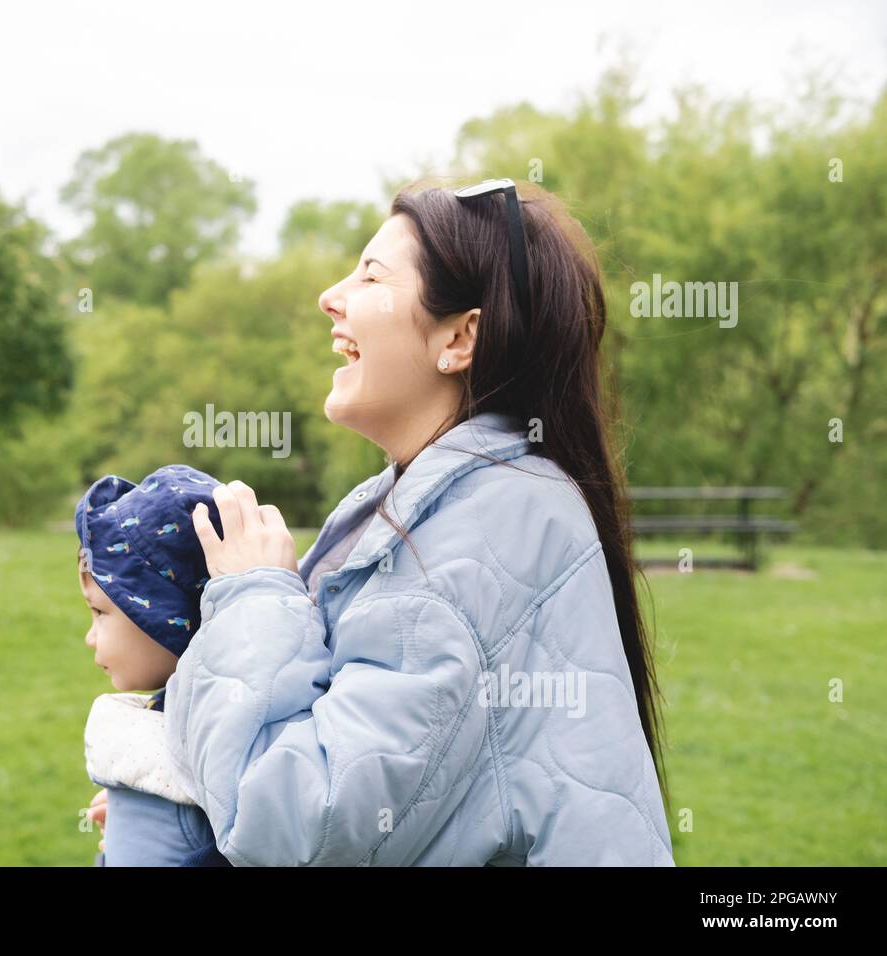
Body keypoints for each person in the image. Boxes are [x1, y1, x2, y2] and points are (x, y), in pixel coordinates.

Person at [156, 178, 676, 865]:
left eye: (371, 275)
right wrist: (176, 808)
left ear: (460, 337)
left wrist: (253, 594)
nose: (329, 296)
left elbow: (297, 822)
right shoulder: (465, 503)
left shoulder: (479, 533)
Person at [74, 464, 232, 866]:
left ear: (163, 615)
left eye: (100, 613)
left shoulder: (198, 742)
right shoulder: (232, 711)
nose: (90, 637)